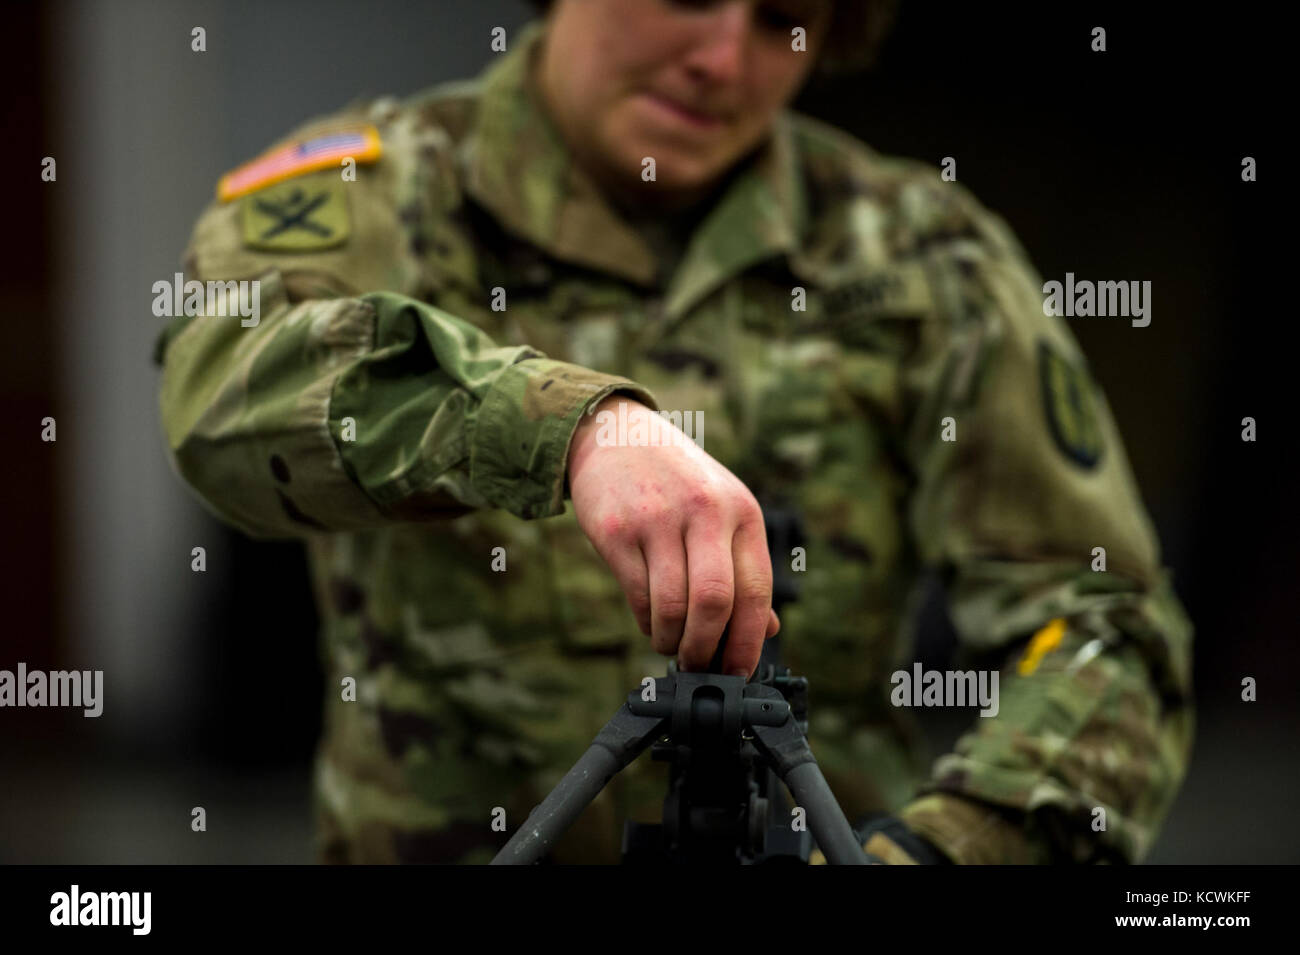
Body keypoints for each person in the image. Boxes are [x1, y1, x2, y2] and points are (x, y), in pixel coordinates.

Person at [154, 0, 1193, 864]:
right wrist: (567, 430)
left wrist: (944, 851)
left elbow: (1103, 618)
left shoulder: (923, 258)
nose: (721, 58)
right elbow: (224, 393)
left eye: (782, 19)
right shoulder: (372, 194)